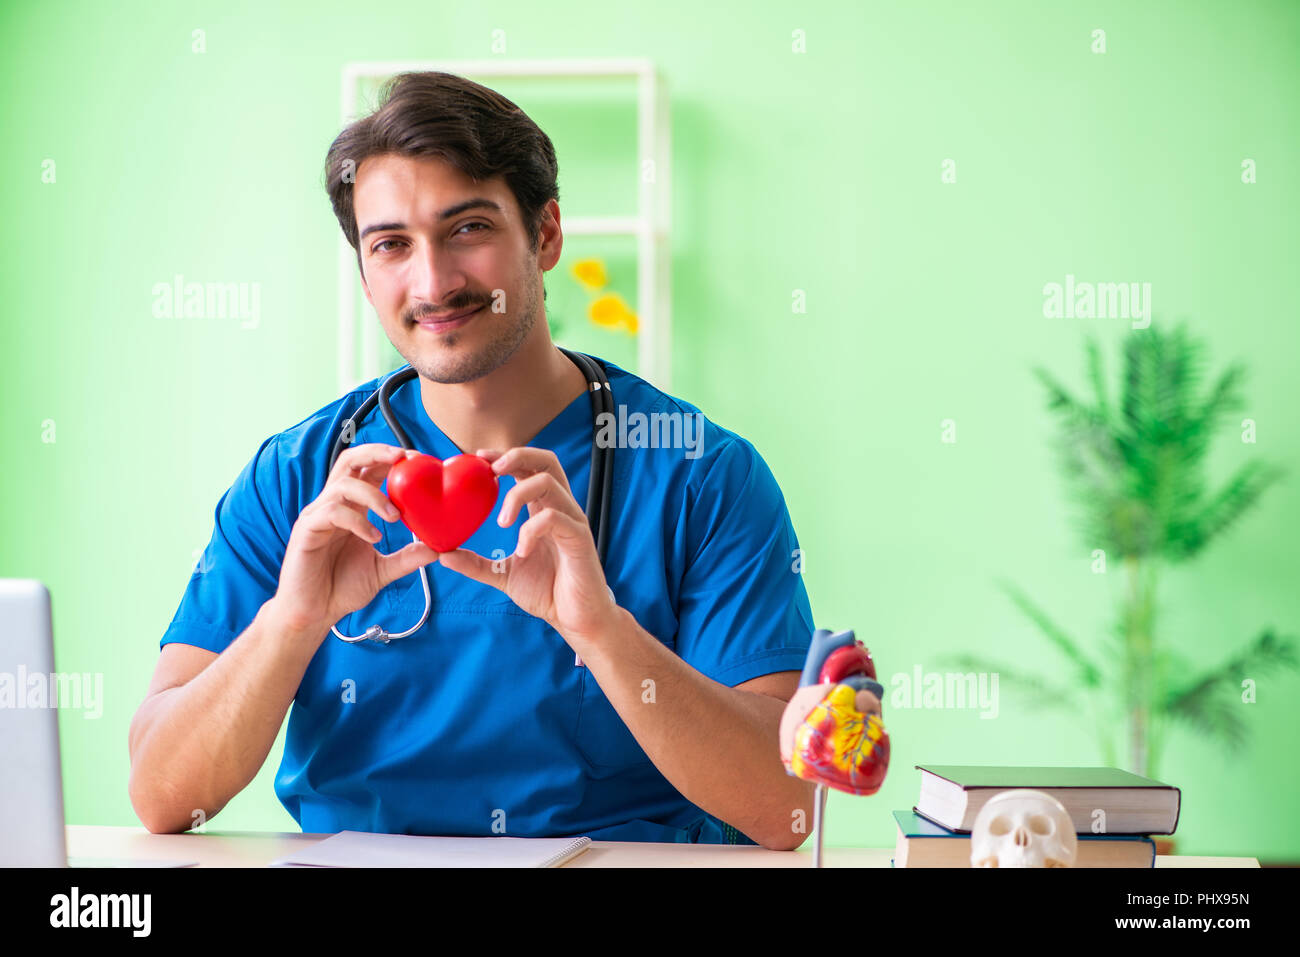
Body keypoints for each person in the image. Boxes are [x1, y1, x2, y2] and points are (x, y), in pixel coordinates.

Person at [128, 71, 817, 848]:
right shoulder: (299, 476)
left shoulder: (701, 475)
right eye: (391, 244)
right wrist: (292, 622)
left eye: (468, 229)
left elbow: (787, 807)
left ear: (546, 235)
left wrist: (602, 633)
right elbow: (161, 793)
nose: (433, 281)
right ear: (364, 271)